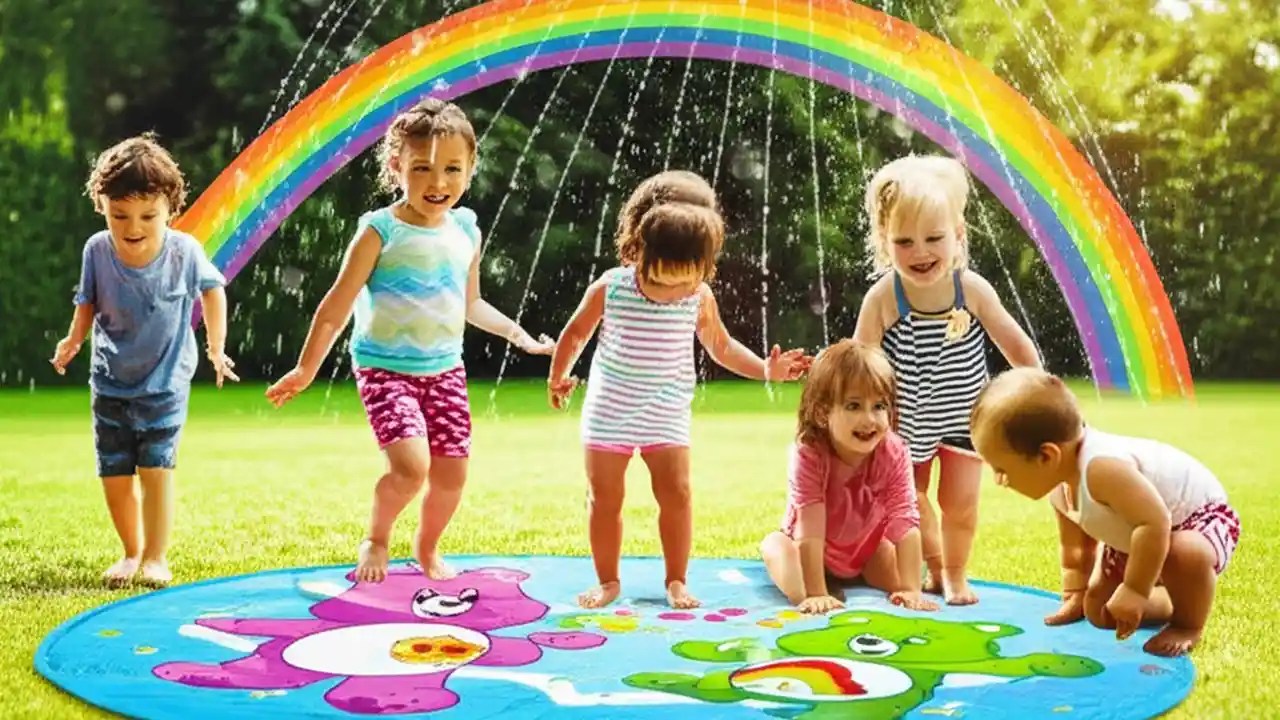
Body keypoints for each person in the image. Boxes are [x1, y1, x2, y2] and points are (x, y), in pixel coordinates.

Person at [265, 99, 553, 582]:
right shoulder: (380, 231)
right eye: (422, 168)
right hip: (385, 369)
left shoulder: (466, 228)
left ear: (471, 167)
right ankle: (376, 538)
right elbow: (336, 305)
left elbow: (471, 303)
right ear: (396, 166)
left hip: (445, 370)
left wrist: (518, 335)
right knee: (410, 467)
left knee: (452, 474)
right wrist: (305, 369)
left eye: (451, 169)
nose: (438, 183)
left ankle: (427, 546)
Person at [548, 170, 809, 610]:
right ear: (638, 252)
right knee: (605, 499)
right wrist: (559, 376)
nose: (672, 291)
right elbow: (574, 334)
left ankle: (676, 580)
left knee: (677, 494)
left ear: (704, 269)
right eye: (661, 280)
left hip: (665, 414)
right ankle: (609, 581)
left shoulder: (698, 297)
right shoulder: (612, 287)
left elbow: (722, 348)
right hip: (609, 412)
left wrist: (767, 369)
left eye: (684, 281)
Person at [51, 133, 239, 588]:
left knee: (155, 469)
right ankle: (130, 553)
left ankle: (156, 557)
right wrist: (73, 339)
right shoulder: (97, 250)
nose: (133, 227)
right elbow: (87, 301)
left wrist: (216, 347)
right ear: (102, 205)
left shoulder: (184, 252)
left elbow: (214, 291)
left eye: (147, 216)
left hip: (164, 384)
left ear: (169, 209)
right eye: (120, 215)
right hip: (111, 383)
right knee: (114, 475)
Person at [853, 154, 1040, 604]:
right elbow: (859, 362)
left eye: (934, 238)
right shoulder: (884, 297)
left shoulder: (970, 289)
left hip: (964, 417)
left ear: (958, 235)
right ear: (883, 241)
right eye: (904, 241)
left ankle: (954, 574)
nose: (921, 252)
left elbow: (1015, 344)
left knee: (961, 506)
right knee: (911, 501)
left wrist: (1036, 389)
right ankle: (932, 566)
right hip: (903, 422)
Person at [971, 367, 1240, 656]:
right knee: (1099, 610)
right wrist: (1076, 593)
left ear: (1047, 456)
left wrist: (1135, 590)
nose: (999, 481)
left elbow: (1155, 522)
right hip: (1132, 532)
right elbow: (1077, 547)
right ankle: (1174, 598)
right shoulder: (1060, 485)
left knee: (1183, 553)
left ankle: (1188, 622)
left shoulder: (1102, 468)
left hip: (1191, 520)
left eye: (1002, 470)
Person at [760, 339, 938, 613]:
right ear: (822, 413)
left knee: (901, 580)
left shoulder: (893, 452)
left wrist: (911, 589)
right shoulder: (810, 454)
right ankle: (814, 590)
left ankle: (886, 581)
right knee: (776, 548)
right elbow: (810, 528)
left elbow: (905, 519)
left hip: (864, 552)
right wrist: (816, 593)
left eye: (879, 406)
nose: (869, 419)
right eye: (854, 406)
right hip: (806, 550)